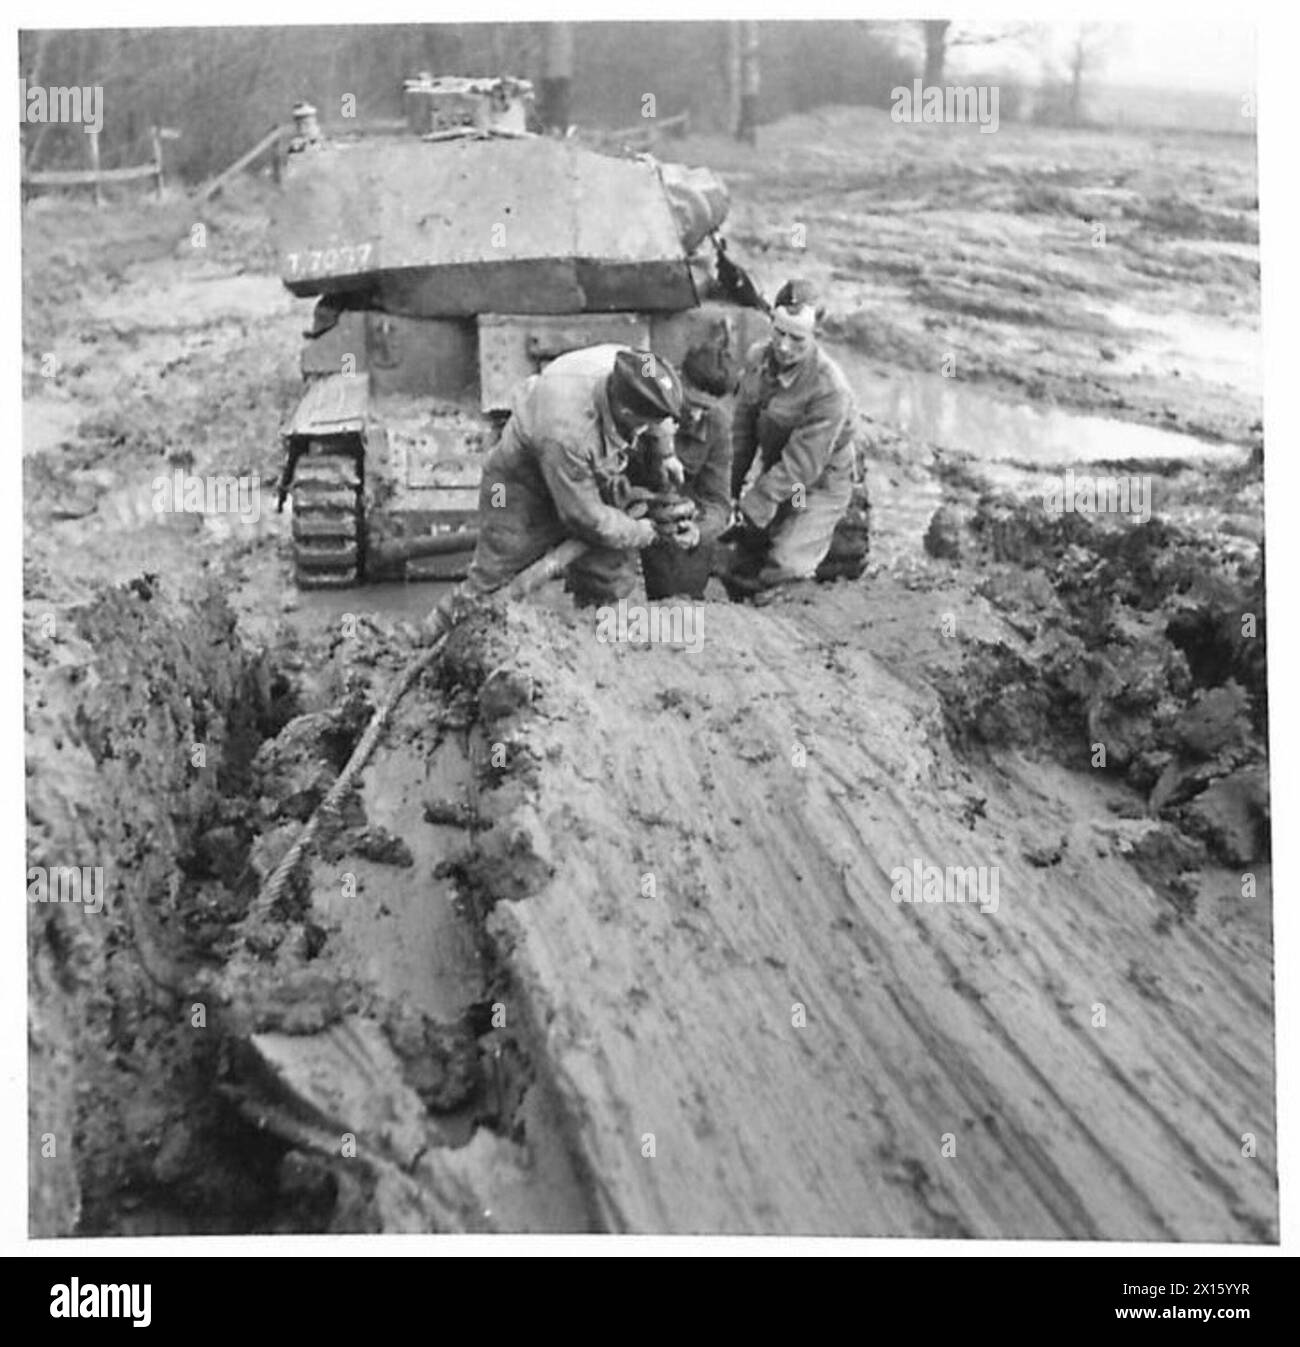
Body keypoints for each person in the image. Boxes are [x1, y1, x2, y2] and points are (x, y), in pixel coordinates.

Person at [465, 345, 686, 606]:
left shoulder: (632, 366)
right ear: (625, 412)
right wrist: (642, 531)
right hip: (512, 485)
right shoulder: (569, 433)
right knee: (496, 567)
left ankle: (596, 628)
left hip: (578, 473)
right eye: (644, 423)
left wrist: (665, 454)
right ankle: (450, 628)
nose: (649, 429)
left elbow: (657, 402)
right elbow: (587, 519)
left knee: (607, 572)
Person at [724, 279, 857, 596]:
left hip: (818, 479)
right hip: (778, 466)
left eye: (797, 338)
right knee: (736, 550)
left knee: (785, 565)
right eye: (779, 333)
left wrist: (756, 502)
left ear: (815, 336)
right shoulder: (757, 358)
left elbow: (803, 464)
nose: (784, 347)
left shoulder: (830, 388)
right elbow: (741, 432)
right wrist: (726, 491)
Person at [639, 339, 734, 601]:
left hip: (670, 514)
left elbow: (718, 502)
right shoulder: (645, 394)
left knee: (680, 594)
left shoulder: (717, 426)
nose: (694, 416)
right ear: (679, 379)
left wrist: (697, 532)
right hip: (626, 501)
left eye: (705, 408)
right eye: (690, 403)